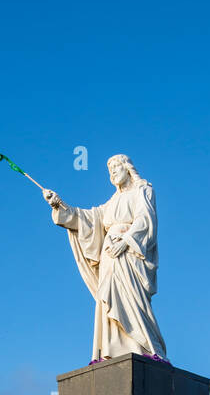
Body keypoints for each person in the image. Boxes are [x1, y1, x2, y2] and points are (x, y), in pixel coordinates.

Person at [43, 154, 168, 362]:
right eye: (109, 170)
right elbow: (87, 219)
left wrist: (126, 241)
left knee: (132, 299)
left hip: (129, 254)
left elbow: (146, 220)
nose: (112, 173)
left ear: (127, 168)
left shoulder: (142, 190)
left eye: (116, 168)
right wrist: (59, 205)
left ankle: (142, 345)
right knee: (107, 297)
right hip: (110, 256)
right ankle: (113, 349)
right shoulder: (111, 203)